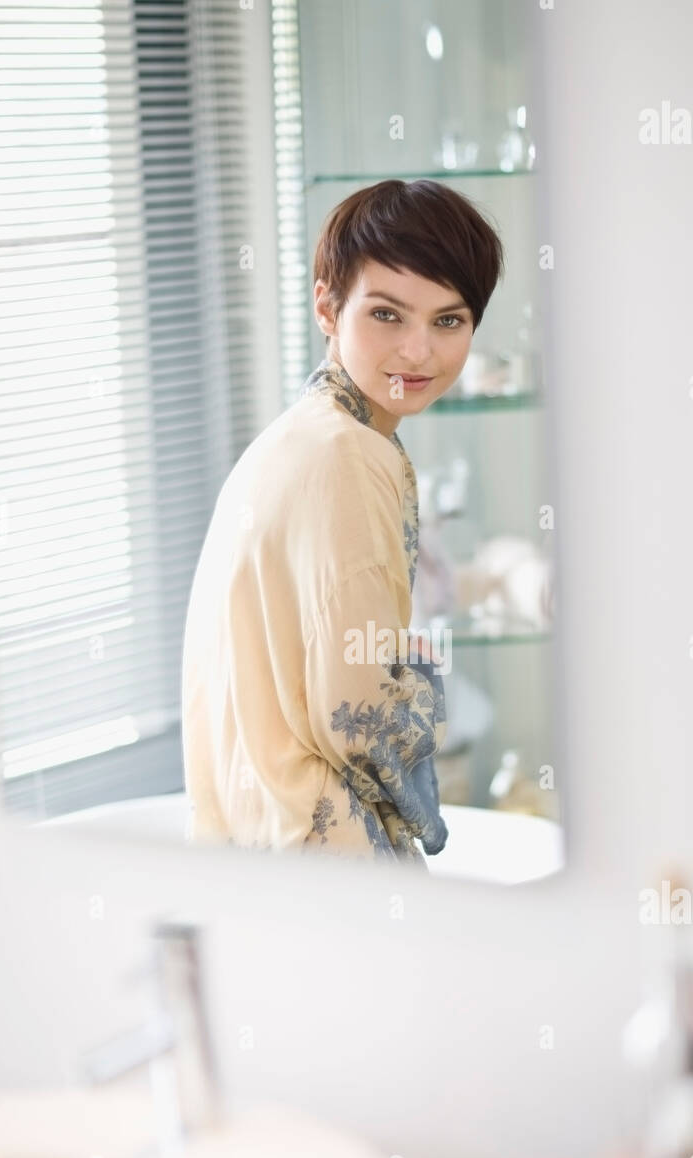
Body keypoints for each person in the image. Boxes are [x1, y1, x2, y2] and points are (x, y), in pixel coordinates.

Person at [181, 179, 504, 867]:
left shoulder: (302, 436)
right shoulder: (347, 456)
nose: (419, 352)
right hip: (330, 863)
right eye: (388, 315)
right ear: (327, 305)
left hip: (260, 847)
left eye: (448, 321)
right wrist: (421, 681)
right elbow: (357, 714)